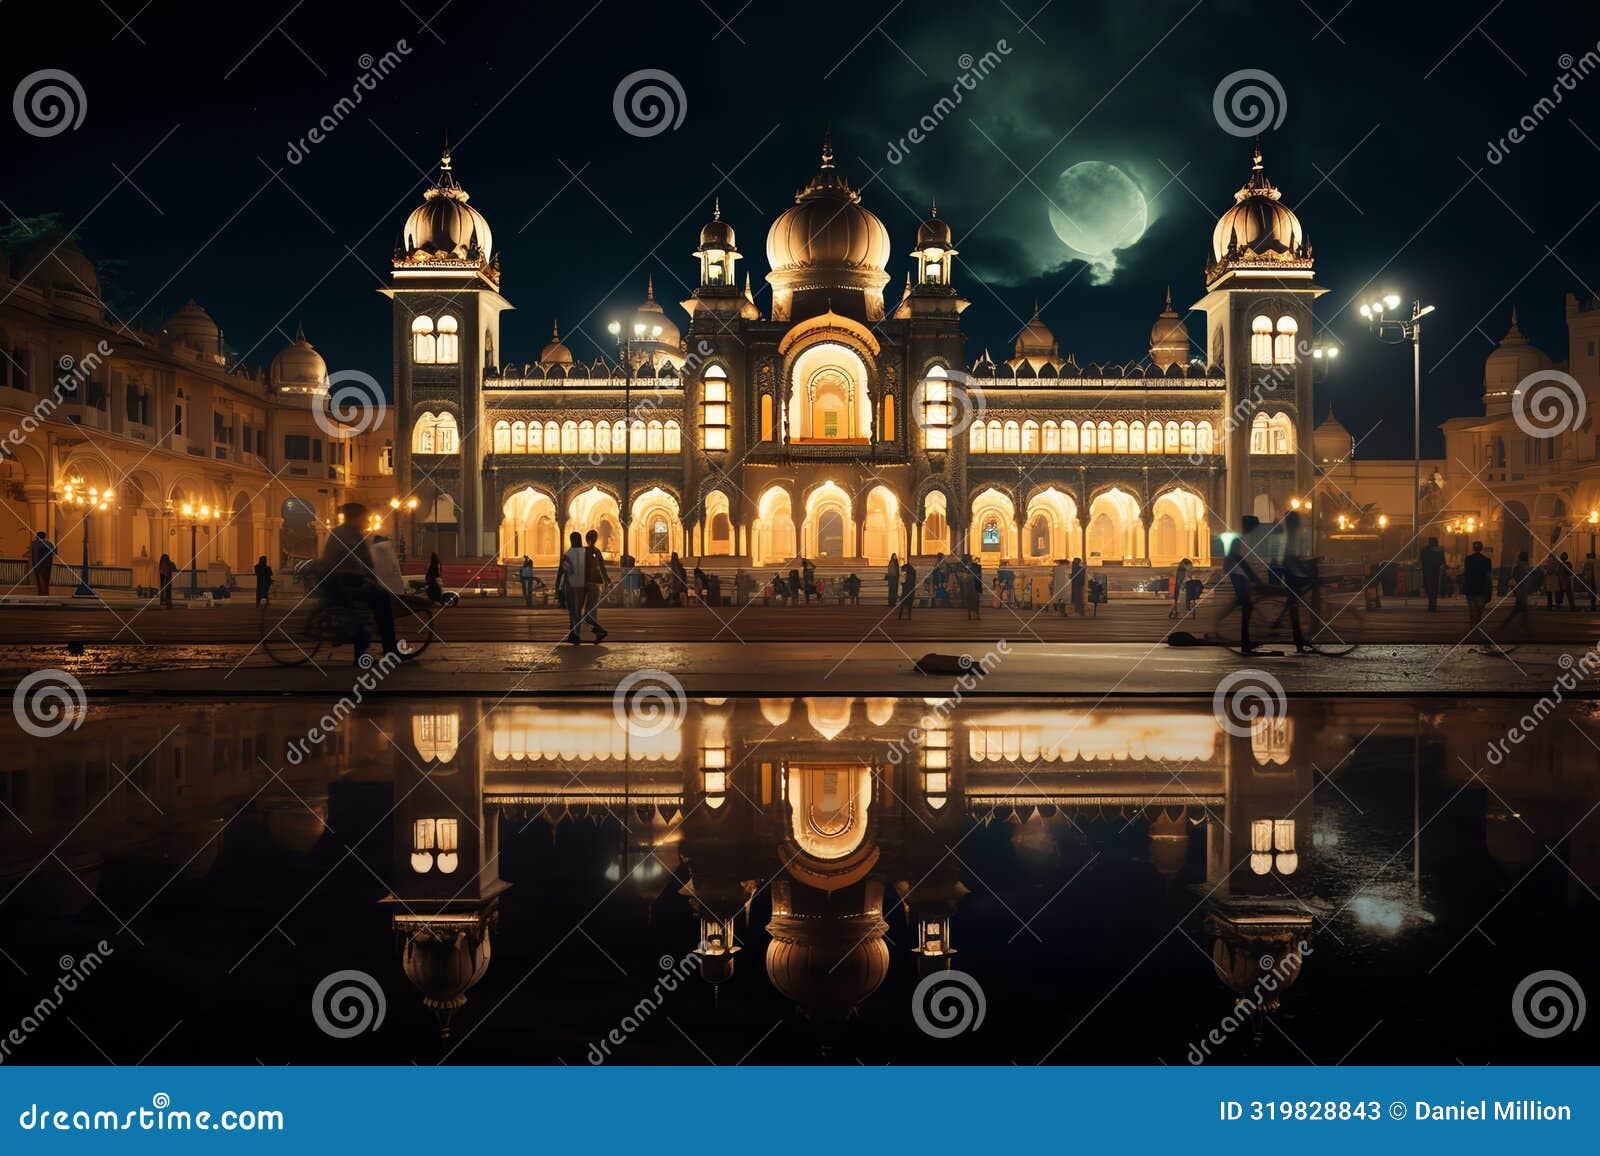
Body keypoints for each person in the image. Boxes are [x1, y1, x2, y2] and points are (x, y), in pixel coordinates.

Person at [317, 501, 397, 659]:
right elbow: (360, 560)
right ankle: (389, 649)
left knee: (364, 607)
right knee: (380, 601)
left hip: (339, 581)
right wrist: (371, 577)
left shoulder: (342, 532)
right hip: (343, 582)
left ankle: (364, 650)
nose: (367, 522)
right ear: (357, 517)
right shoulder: (349, 534)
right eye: (365, 518)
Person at [1225, 515, 1264, 654]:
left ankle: (1245, 640)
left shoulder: (1244, 540)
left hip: (1241, 575)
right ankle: (1245, 642)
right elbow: (1240, 560)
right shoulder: (1238, 539)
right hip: (1238, 575)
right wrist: (1253, 577)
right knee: (1247, 606)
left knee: (1245, 604)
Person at [1277, 512, 1313, 654]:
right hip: (1292, 574)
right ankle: (1298, 640)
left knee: (1293, 607)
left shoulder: (1291, 535)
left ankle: (1298, 639)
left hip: (1290, 573)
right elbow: (1292, 559)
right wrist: (1305, 573)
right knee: (1294, 607)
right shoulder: (1292, 536)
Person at [556, 532, 585, 644]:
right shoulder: (585, 553)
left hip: (570, 586)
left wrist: (557, 584)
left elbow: (561, 571)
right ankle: (576, 634)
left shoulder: (567, 554)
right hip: (582, 586)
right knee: (578, 611)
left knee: (572, 611)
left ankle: (573, 634)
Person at [583, 530, 610, 643]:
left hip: (588, 583)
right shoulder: (597, 551)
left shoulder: (585, 551)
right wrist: (606, 581)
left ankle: (601, 631)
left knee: (587, 615)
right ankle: (598, 633)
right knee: (592, 613)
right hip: (596, 584)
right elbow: (602, 568)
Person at [1461, 540, 1492, 629]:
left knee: (1471, 607)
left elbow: (1466, 573)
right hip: (1481, 586)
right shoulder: (1487, 560)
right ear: (1481, 548)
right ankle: (1477, 623)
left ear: (1473, 548)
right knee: (1480, 607)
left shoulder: (1468, 559)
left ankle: (1472, 624)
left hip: (1470, 586)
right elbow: (1488, 575)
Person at [1420, 537, 1445, 611]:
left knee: (1431, 589)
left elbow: (1442, 561)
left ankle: (1432, 605)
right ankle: (1432, 605)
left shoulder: (1425, 551)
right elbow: (1442, 561)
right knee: (1432, 589)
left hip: (1430, 572)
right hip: (1432, 572)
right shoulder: (1429, 551)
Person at [29, 530, 55, 596]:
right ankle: (45, 592)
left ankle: (41, 592)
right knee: (46, 578)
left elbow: (31, 553)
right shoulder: (49, 543)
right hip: (47, 564)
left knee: (39, 578)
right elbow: (55, 552)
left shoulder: (34, 544)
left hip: (36, 563)